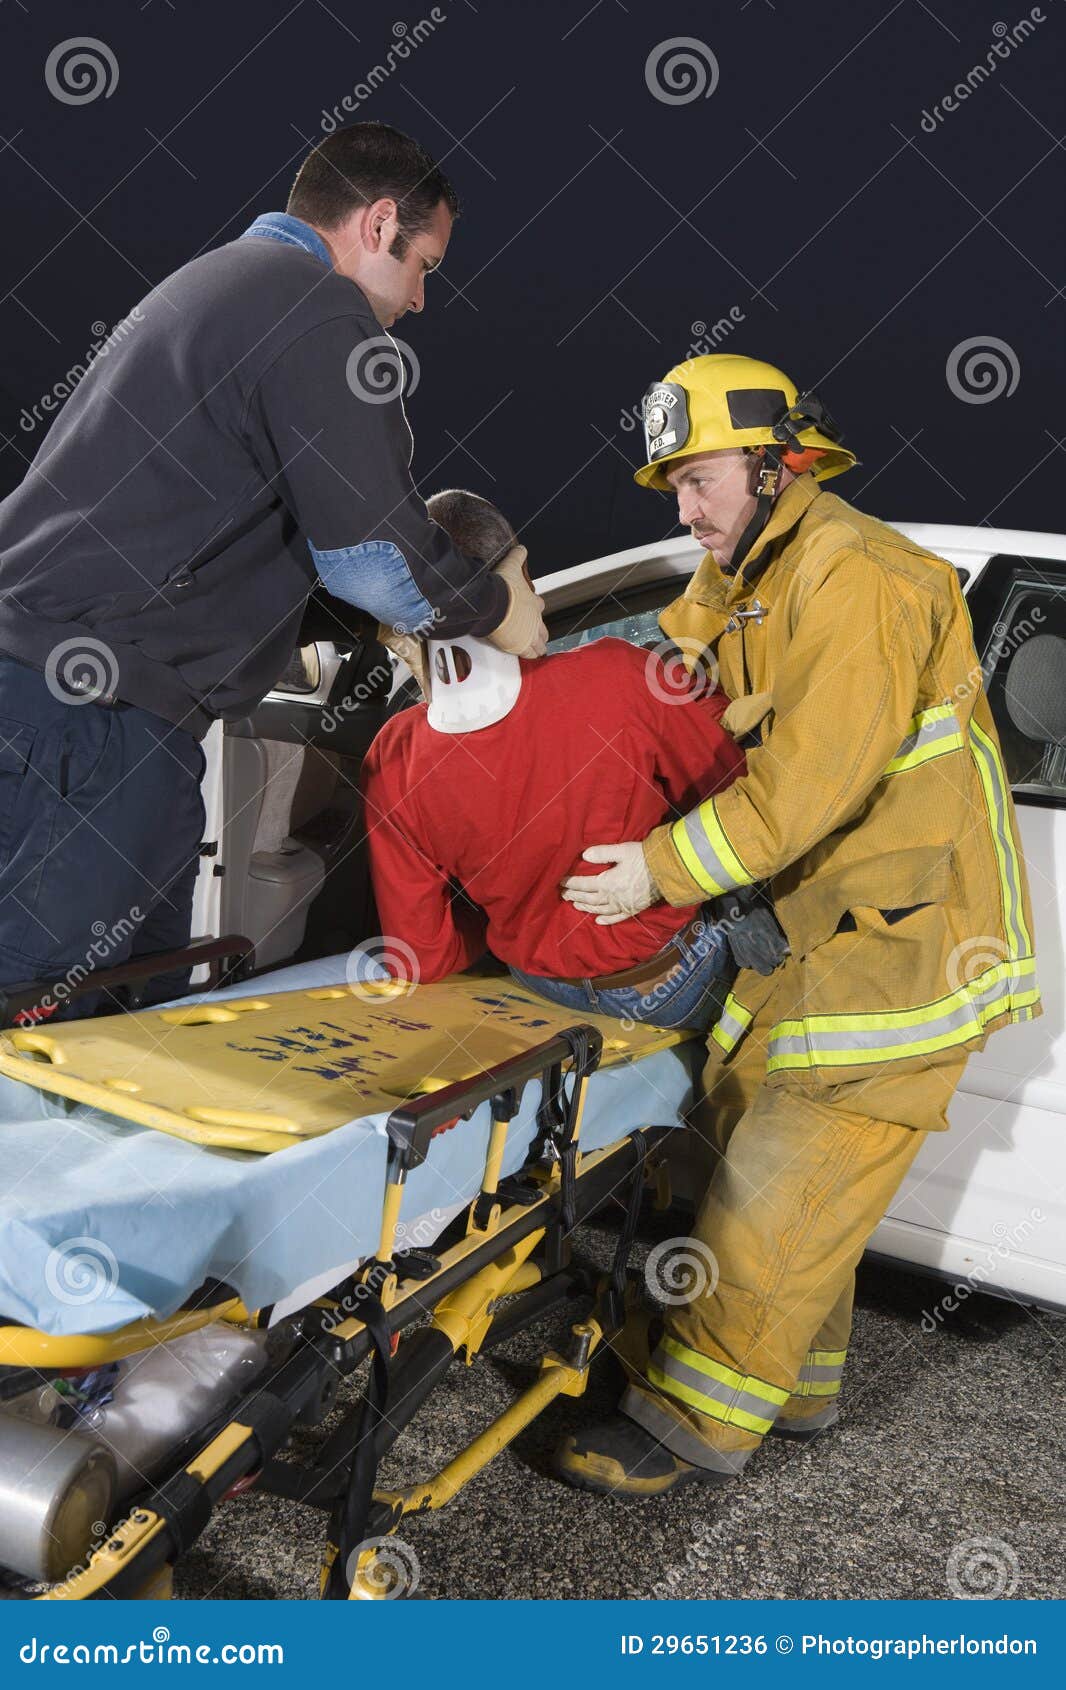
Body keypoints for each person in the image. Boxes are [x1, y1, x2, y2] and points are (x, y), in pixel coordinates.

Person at [556, 353, 1040, 1494]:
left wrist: (655, 871)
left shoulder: (857, 577)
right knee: (757, 1161)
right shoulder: (755, 575)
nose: (684, 508)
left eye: (699, 477)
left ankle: (691, 1425)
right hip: (817, 938)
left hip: (897, 957)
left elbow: (805, 787)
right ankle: (800, 1394)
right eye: (670, 485)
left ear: (778, 463)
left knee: (773, 1188)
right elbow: (656, 664)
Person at [0, 122, 545, 1005]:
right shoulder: (313, 306)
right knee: (47, 1031)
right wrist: (494, 608)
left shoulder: (221, 287)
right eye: (424, 266)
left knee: (127, 1023)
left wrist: (315, 632)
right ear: (376, 226)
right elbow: (373, 555)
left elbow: (215, 518)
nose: (418, 299)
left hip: (60, 700)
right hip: (92, 726)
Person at [361, 490, 752, 1033]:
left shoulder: (393, 752)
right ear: (518, 581)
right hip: (669, 985)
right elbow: (743, 793)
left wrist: (513, 916)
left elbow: (423, 956)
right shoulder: (621, 674)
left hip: (536, 984)